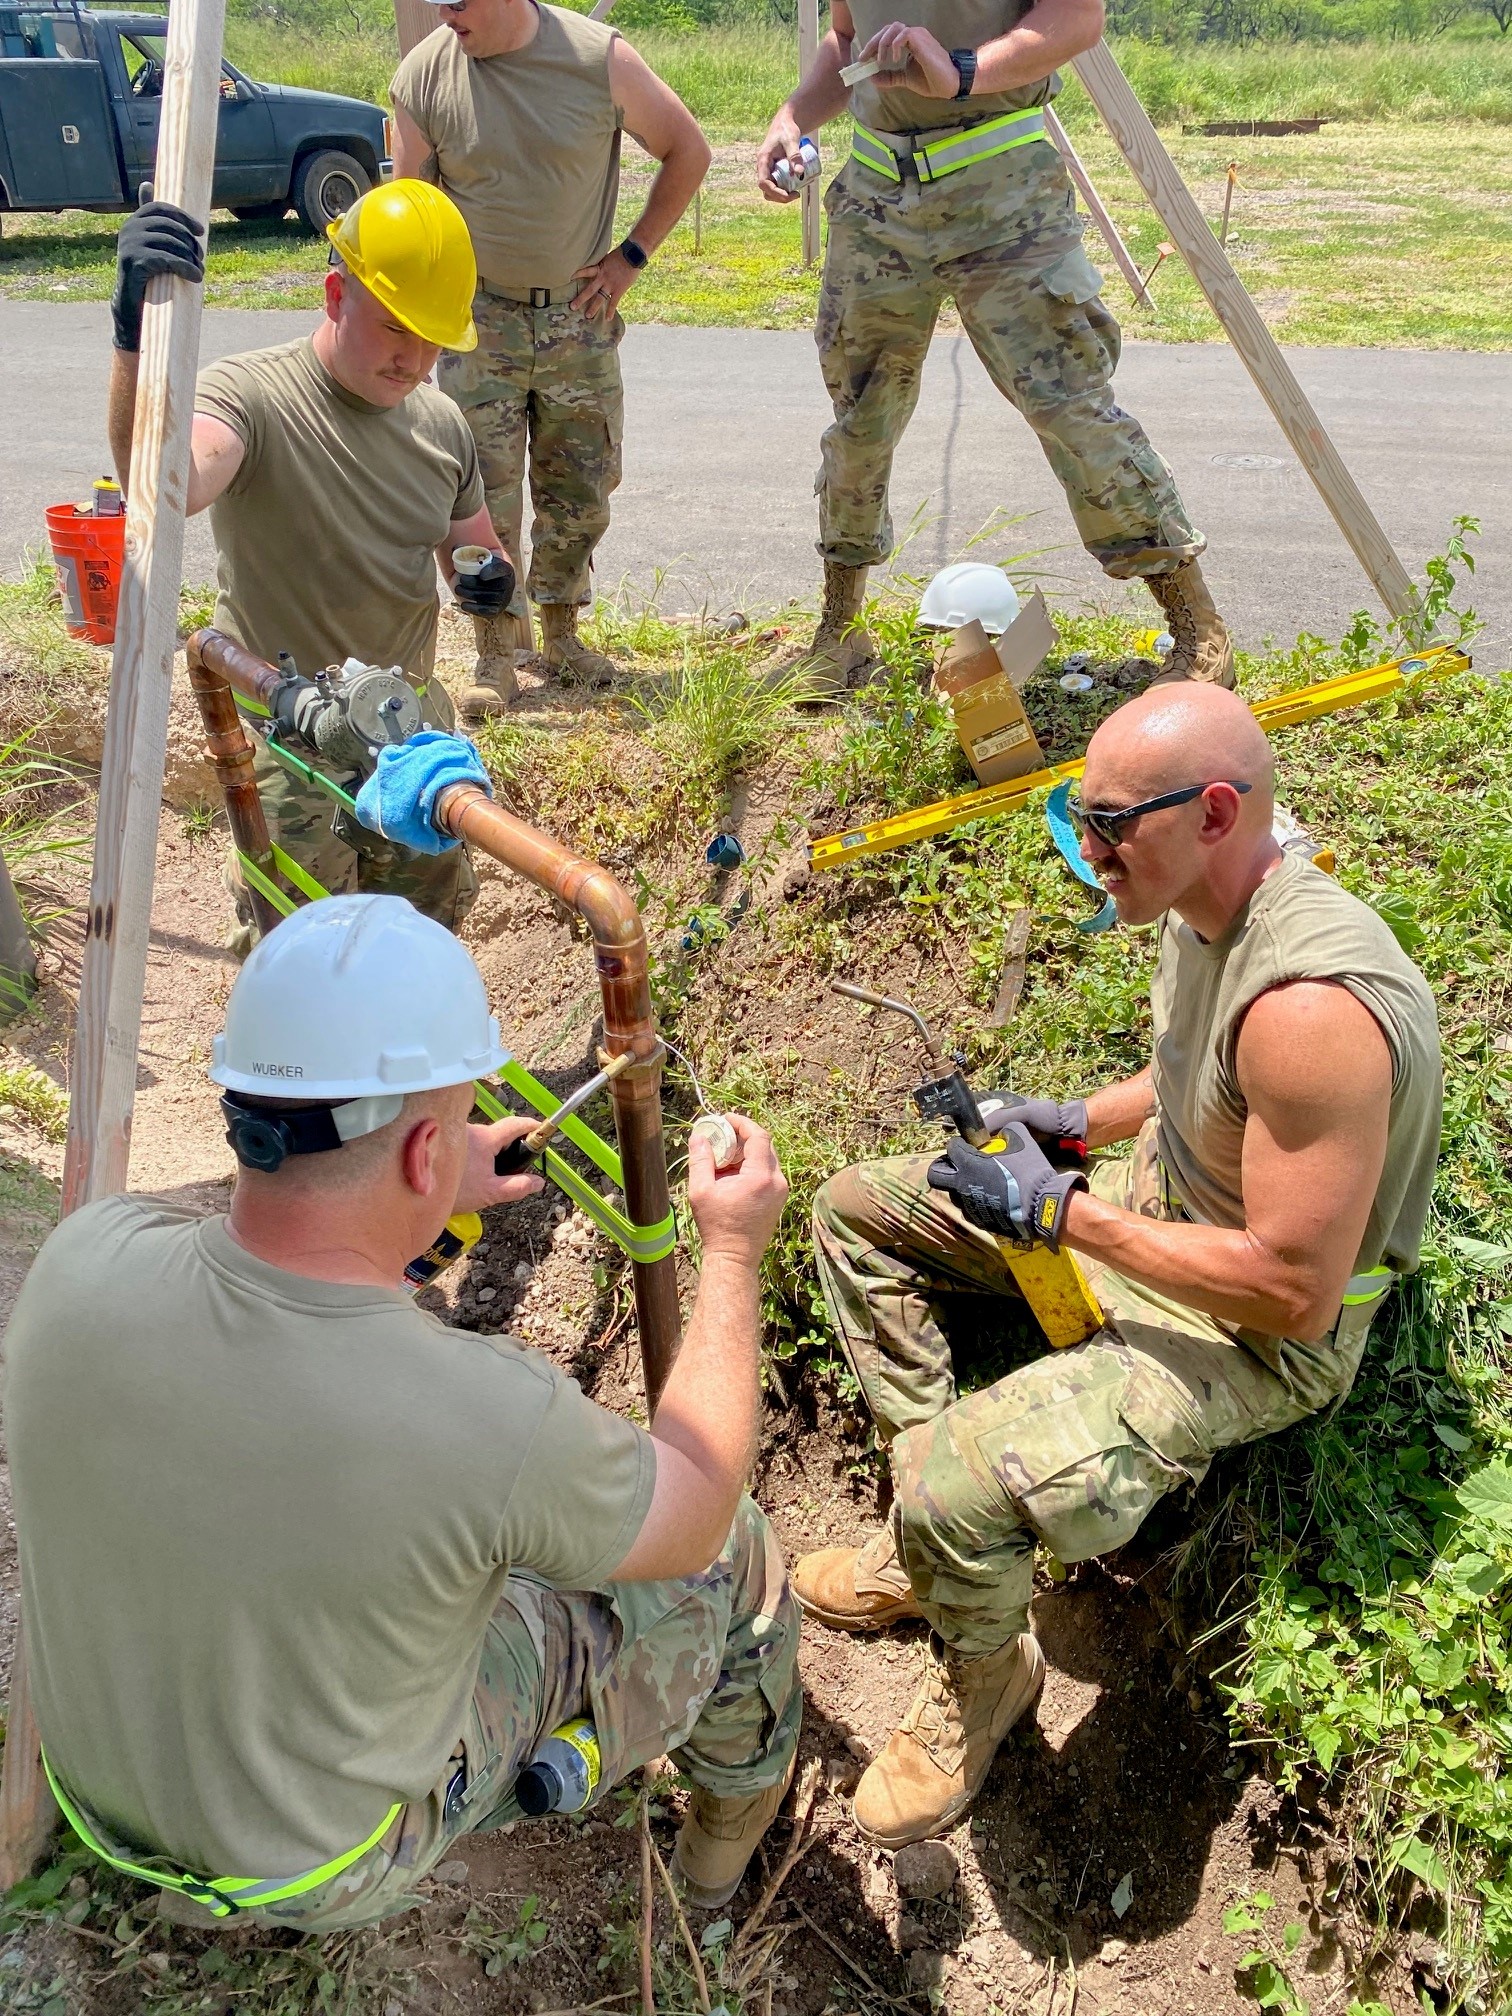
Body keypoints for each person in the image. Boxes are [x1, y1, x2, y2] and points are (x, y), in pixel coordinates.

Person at [5, 896, 799, 1927]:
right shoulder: (482, 1418)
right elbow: (690, 1505)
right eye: (457, 1119)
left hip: (94, 1789)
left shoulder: (82, 1259)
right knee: (733, 1550)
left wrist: (423, 1184)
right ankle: (721, 1844)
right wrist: (734, 1251)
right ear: (424, 1150)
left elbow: (293, 1258)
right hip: (309, 1867)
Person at [797, 684, 1441, 1845]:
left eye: (1110, 825)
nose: (1085, 852)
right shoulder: (1204, 901)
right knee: (854, 1212)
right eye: (1076, 816)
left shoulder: (1309, 1012)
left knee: (955, 1486)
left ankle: (984, 1670)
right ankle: (932, 1548)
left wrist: (1065, 1215)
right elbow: (1193, 1068)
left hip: (1247, 1329)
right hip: (1165, 1211)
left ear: (1216, 811)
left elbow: (1292, 1295)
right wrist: (1077, 1126)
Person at [756, 0, 1232, 696]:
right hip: (877, 201)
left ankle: (1196, 628)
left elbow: (1076, 20)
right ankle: (841, 629)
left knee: (1069, 406)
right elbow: (848, 37)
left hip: (1004, 196)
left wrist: (964, 70)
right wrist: (792, 117)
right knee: (861, 420)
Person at [106, 181, 516, 945]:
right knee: (302, 957)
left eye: (435, 340)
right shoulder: (253, 397)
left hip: (407, 735)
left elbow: (474, 552)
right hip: (292, 743)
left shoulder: (442, 424)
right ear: (335, 294)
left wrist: (488, 580)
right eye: (397, 328)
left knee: (416, 946)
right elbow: (160, 484)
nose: (415, 359)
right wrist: (135, 337)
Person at [390, 0, 711, 698]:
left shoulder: (599, 60)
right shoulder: (424, 78)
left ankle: (563, 639)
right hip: (480, 323)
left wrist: (632, 255)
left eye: (459, 0)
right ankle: (494, 654)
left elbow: (690, 148)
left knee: (580, 485)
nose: (446, 14)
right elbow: (410, 211)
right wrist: (415, 329)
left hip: (578, 316)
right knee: (479, 496)